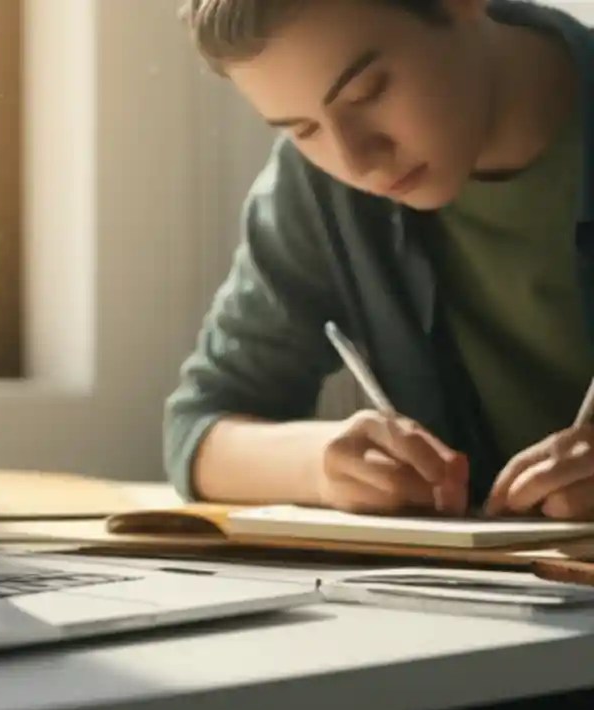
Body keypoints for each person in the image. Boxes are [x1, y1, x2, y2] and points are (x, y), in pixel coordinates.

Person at [166, 0, 594, 519]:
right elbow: (200, 424)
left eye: (367, 92)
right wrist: (321, 465)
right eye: (302, 130)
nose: (356, 162)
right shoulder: (320, 189)